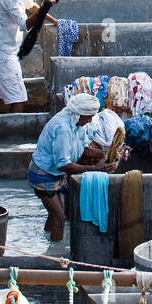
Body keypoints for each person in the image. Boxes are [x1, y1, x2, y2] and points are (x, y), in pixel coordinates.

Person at [28, 92, 115, 241]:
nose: (90, 120)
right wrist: (96, 169)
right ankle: (55, 255)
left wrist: (104, 153)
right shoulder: (63, 128)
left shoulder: (77, 123)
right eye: (88, 117)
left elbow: (82, 148)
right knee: (60, 217)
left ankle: (46, 237)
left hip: (54, 172)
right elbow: (63, 165)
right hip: (43, 173)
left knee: (53, 213)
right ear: (80, 114)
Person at [0, 0, 58, 114]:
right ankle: (16, 132)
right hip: (4, 54)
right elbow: (24, 25)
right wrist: (44, 9)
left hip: (0, 51)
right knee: (18, 98)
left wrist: (54, 21)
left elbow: (33, 7)